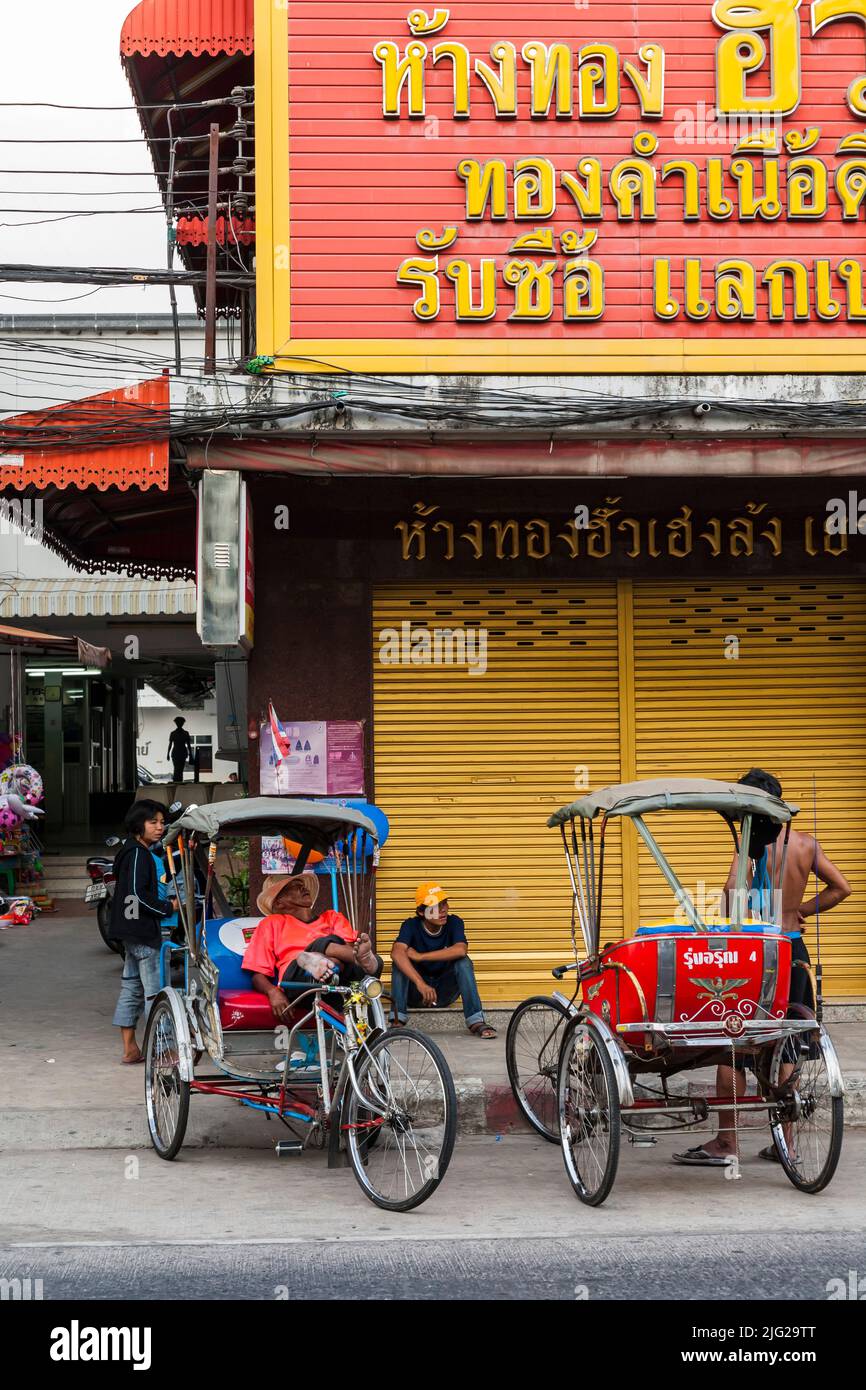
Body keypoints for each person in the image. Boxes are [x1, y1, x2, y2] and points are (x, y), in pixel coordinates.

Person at [674, 767, 851, 1167]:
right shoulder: (806, 845)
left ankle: (726, 1142)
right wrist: (800, 909)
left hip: (758, 954)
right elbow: (843, 887)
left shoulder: (752, 846)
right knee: (786, 1041)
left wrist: (737, 901)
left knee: (732, 1046)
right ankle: (785, 1143)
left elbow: (729, 893)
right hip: (794, 951)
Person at [243, 872, 382, 1022]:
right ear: (279, 903)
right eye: (295, 887)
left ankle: (355, 963)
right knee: (321, 943)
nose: (303, 889)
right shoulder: (272, 923)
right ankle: (345, 960)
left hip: (336, 979)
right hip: (298, 977)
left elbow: (347, 949)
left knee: (368, 972)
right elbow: (257, 974)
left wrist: (338, 961)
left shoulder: (332, 917)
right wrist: (272, 992)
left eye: (303, 886)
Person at [109, 799, 178, 1064]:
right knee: (156, 992)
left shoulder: (131, 851)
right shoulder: (139, 854)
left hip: (130, 933)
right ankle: (164, 1050)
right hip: (143, 932)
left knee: (132, 989)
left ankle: (130, 1049)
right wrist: (167, 907)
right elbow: (137, 894)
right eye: (153, 823)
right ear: (139, 825)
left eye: (162, 822)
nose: (160, 827)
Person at [390, 883, 497, 1039]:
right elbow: (397, 953)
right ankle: (397, 1020)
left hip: (444, 992)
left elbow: (461, 950)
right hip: (416, 993)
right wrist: (420, 984)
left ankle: (476, 1021)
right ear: (421, 911)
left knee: (463, 961)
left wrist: (421, 956)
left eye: (444, 903)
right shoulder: (410, 925)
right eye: (436, 906)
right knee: (399, 963)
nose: (443, 909)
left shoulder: (454, 922)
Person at [167, 716, 193, 784]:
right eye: (178, 723)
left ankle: (178, 782)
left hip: (180, 753)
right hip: (177, 753)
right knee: (177, 769)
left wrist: (190, 754)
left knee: (179, 769)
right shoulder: (174, 733)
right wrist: (168, 754)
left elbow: (188, 745)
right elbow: (170, 744)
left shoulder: (184, 733)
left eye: (181, 723)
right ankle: (177, 782)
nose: (179, 724)